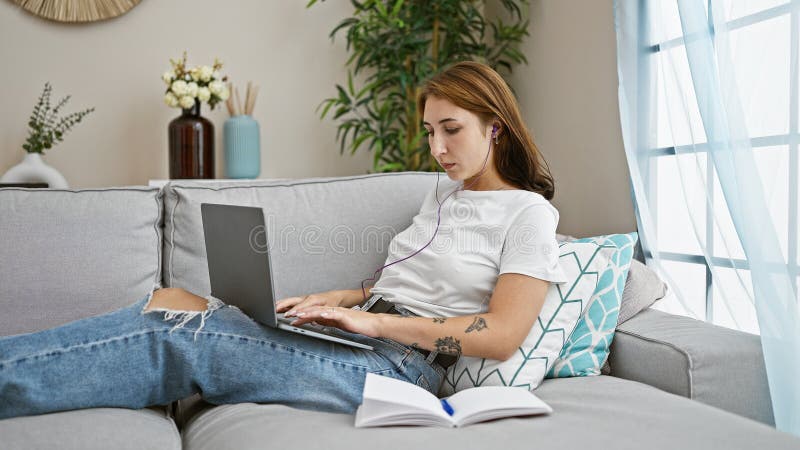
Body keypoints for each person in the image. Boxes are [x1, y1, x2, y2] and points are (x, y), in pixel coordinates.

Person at [0, 61, 567, 420]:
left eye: (452, 130)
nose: (438, 148)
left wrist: (378, 324)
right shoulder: (445, 195)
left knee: (185, 338)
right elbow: (402, 281)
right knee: (176, 301)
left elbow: (500, 335)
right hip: (366, 337)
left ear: (495, 127)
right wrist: (340, 302)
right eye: (429, 132)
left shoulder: (529, 215)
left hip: (404, 369)